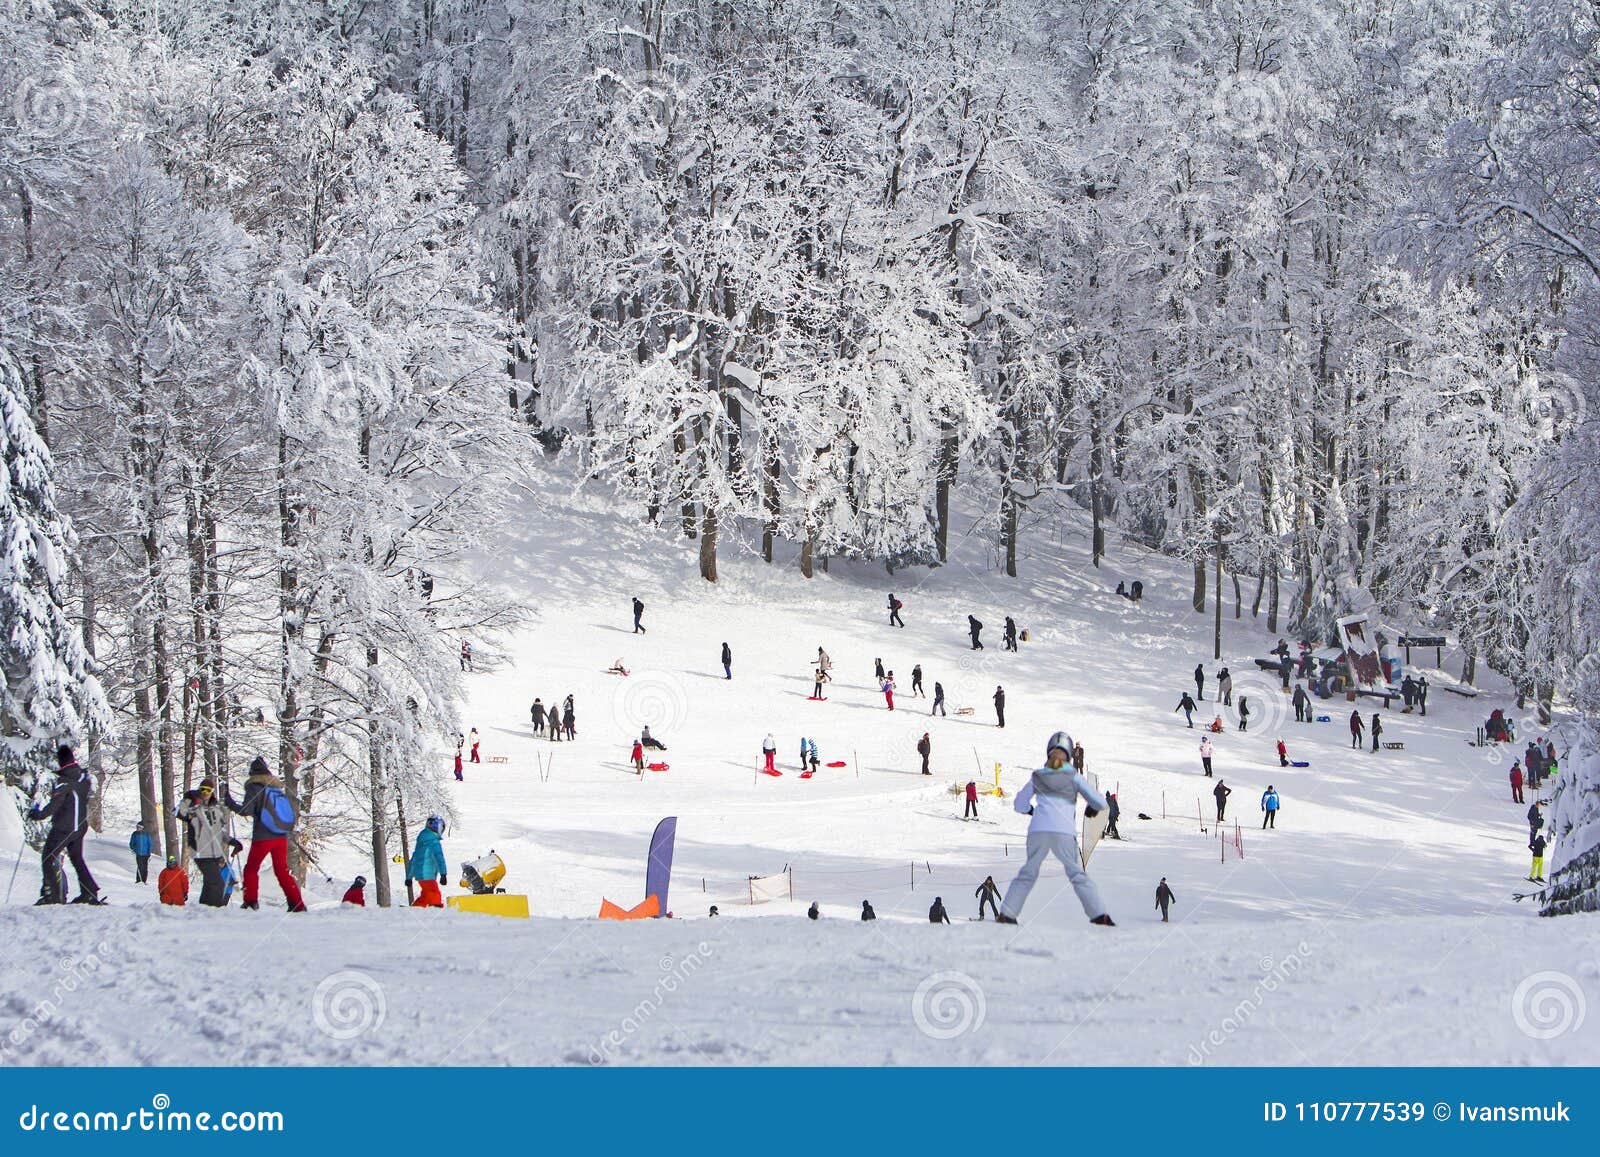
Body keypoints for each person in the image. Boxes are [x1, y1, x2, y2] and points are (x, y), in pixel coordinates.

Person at [996, 730, 1115, 927]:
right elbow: (1100, 801)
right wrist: (1092, 809)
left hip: (1039, 830)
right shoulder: (1073, 777)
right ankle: (1099, 915)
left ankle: (1007, 913)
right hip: (1064, 832)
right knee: (1077, 874)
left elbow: (1019, 804)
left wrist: (1030, 811)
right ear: (1069, 754)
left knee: (1029, 871)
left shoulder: (1038, 776)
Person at [223, 756, 307, 912]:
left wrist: (229, 802)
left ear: (252, 772)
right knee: (281, 871)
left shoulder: (254, 786)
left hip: (263, 836)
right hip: (280, 836)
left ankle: (251, 901)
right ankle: (297, 903)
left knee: (251, 869)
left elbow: (246, 810)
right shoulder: (275, 787)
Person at [28, 746, 101, 905]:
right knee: (77, 858)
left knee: (48, 857)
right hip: (80, 826)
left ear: (60, 762)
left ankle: (53, 896)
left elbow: (54, 805)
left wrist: (38, 814)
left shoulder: (64, 782)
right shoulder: (84, 779)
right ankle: (89, 892)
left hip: (64, 827)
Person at [177, 777, 231, 907]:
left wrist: (231, 841)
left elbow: (218, 829)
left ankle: (203, 910)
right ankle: (215, 911)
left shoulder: (214, 807)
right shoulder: (193, 802)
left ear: (212, 791)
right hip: (199, 849)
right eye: (202, 789)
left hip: (214, 851)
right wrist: (188, 800)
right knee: (218, 884)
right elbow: (179, 813)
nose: (205, 792)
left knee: (209, 883)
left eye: (208, 790)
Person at [407, 815, 448, 908]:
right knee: (434, 892)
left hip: (420, 875)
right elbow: (439, 859)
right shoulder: (434, 843)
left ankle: (417, 907)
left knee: (426, 894)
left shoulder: (421, 842)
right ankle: (436, 906)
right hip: (427, 874)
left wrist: (409, 877)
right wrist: (443, 874)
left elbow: (414, 859)